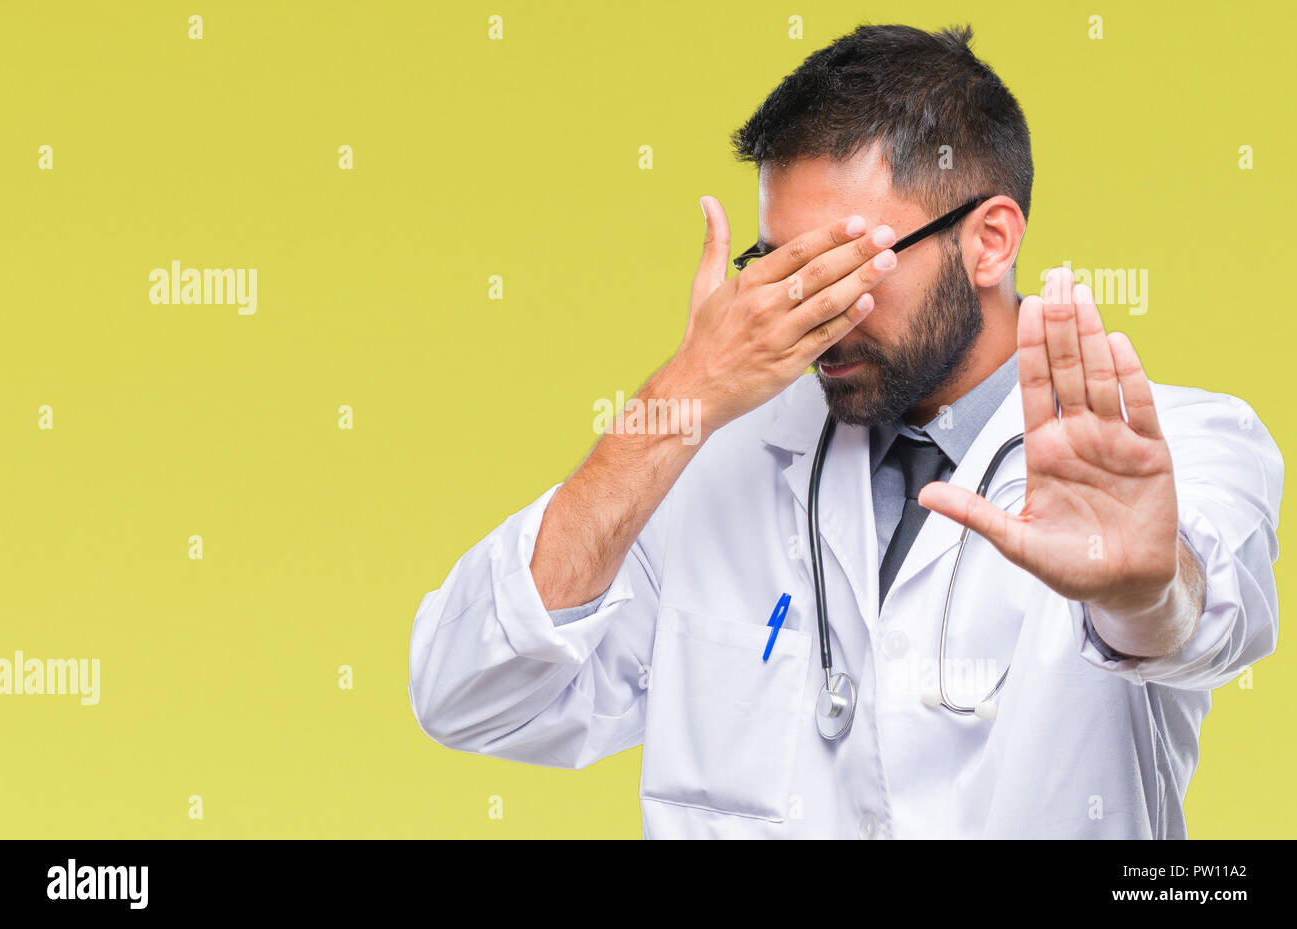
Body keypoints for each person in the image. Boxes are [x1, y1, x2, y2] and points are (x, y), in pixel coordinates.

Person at [407, 23, 1282, 838]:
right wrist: (681, 396)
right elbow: (470, 693)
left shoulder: (1178, 441)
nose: (812, 312)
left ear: (989, 241)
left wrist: (1141, 590)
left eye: (844, 264)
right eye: (780, 267)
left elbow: (1203, 623)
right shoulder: (714, 455)